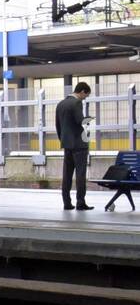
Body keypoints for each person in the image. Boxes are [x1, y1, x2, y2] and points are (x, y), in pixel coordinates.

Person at [56, 82, 93, 211]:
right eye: (86, 95)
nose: (85, 98)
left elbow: (58, 126)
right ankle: (80, 203)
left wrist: (64, 140)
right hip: (79, 145)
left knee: (67, 174)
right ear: (82, 91)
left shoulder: (61, 104)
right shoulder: (76, 103)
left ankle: (66, 203)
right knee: (80, 174)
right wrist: (89, 118)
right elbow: (80, 121)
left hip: (67, 144)